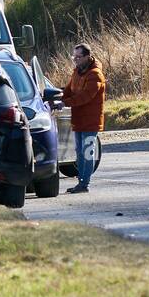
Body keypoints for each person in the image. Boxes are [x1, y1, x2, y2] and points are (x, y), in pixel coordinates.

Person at [60, 43, 106, 194]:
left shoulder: (95, 75)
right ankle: (81, 181)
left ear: (88, 57)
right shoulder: (77, 72)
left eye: (79, 57)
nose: (76, 60)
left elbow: (84, 97)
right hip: (78, 120)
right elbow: (68, 90)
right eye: (74, 57)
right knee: (79, 153)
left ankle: (84, 184)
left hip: (90, 121)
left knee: (87, 152)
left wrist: (65, 103)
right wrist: (59, 98)